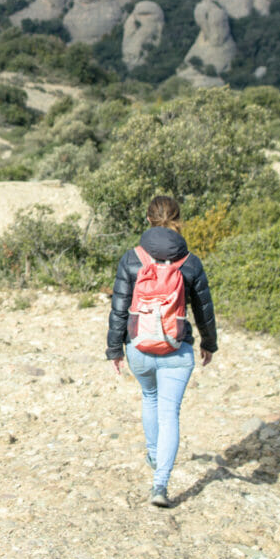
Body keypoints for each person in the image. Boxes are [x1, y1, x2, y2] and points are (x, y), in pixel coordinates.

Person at [106, 195, 217, 508]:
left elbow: (119, 308)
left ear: (147, 219)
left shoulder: (132, 258)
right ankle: (160, 485)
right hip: (177, 349)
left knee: (150, 398)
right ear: (179, 219)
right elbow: (204, 309)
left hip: (139, 346)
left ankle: (154, 454)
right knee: (169, 412)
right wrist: (209, 343)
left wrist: (114, 348)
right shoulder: (190, 262)